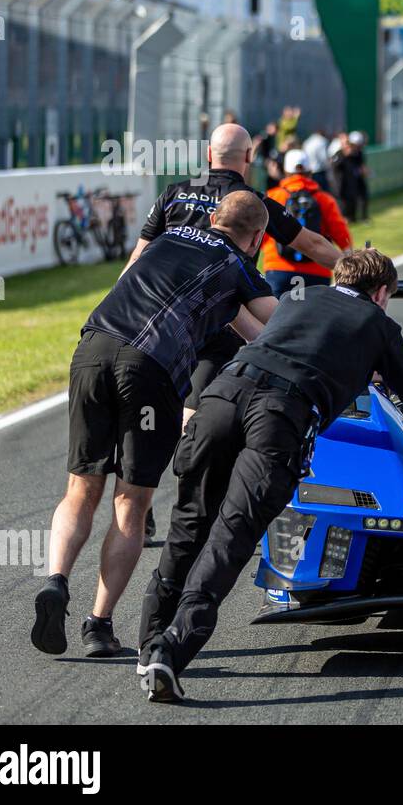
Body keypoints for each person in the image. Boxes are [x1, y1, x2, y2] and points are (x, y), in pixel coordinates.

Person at [137, 249, 403, 701]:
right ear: (381, 293)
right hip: (278, 413)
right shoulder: (377, 324)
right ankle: (171, 650)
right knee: (233, 533)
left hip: (222, 396)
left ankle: (149, 641)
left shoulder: (295, 297)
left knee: (189, 523)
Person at [31, 193, 279, 659]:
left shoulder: (166, 236)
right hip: (150, 366)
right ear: (258, 239)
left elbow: (232, 316)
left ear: (212, 218)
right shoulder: (237, 264)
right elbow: (274, 327)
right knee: (132, 502)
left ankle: (56, 581)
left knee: (80, 488)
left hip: (93, 346)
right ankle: (98, 626)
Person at [123, 124, 343, 537]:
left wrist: (123, 312)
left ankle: (144, 501)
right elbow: (312, 245)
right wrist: (352, 272)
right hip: (223, 315)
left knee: (154, 410)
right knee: (202, 407)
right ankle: (196, 503)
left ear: (209, 154)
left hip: (158, 321)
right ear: (249, 157)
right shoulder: (251, 202)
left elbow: (138, 259)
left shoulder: (173, 193)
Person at [262, 149, 352, 297]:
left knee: (276, 318)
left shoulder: (272, 196)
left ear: (285, 171)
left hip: (278, 268)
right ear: (310, 172)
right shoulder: (324, 199)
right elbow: (341, 234)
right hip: (317, 270)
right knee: (315, 318)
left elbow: (262, 235)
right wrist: (349, 258)